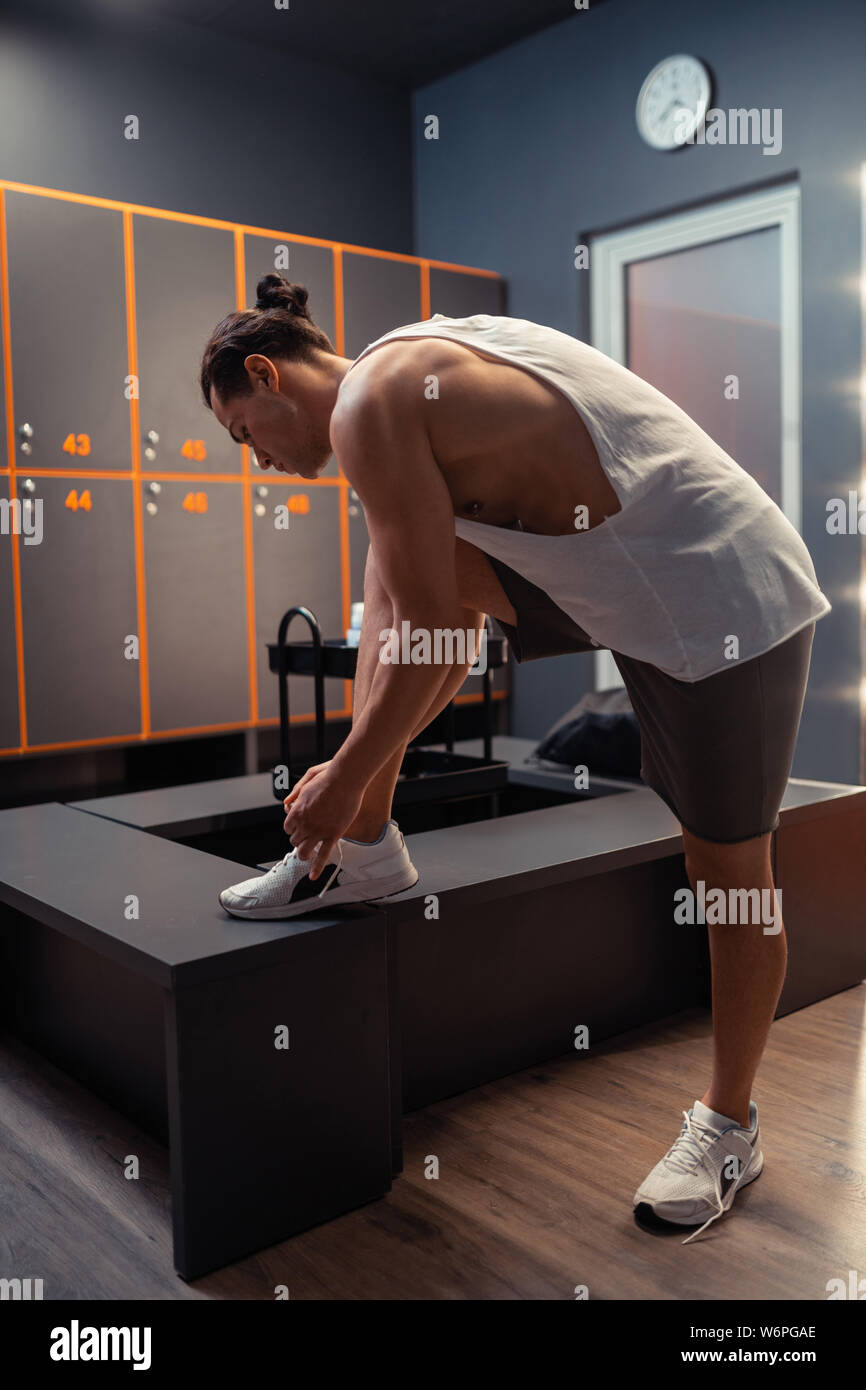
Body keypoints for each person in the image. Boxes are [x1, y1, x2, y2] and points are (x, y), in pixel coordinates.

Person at [199, 273, 831, 1241]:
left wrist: (338, 772)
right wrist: (353, 781)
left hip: (721, 597)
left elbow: (438, 646)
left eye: (244, 433)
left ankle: (728, 1125)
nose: (257, 463)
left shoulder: (376, 401)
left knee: (729, 878)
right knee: (392, 561)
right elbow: (427, 618)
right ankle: (365, 846)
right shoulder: (398, 369)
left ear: (265, 374)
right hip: (615, 574)